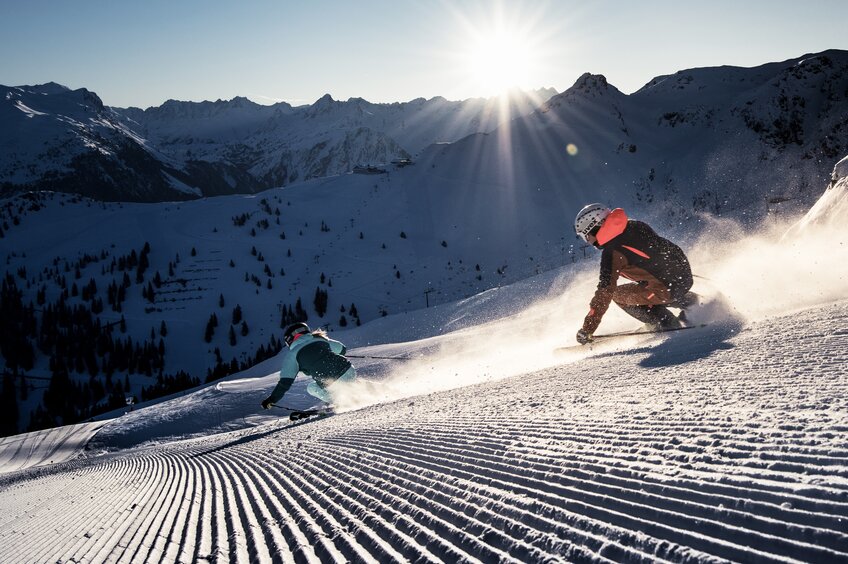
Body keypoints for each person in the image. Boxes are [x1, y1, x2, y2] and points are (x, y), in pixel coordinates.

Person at [573, 203, 695, 344]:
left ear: (594, 227)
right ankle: (690, 301)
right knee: (650, 286)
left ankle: (663, 321)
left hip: (667, 287)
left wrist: (588, 328)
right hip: (683, 276)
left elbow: (604, 293)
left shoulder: (612, 252)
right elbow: (655, 255)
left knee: (618, 295)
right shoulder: (635, 225)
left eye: (585, 236)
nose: (588, 241)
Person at [261, 322, 357, 409]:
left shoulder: (292, 355)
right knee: (346, 384)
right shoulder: (320, 339)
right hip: (349, 371)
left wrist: (271, 400)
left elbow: (284, 383)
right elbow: (342, 349)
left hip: (331, 382)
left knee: (311, 388)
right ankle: (358, 392)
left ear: (290, 339)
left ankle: (341, 402)